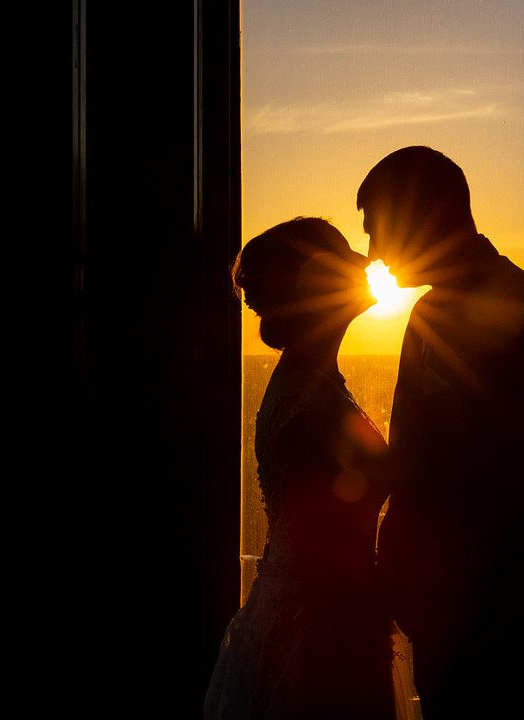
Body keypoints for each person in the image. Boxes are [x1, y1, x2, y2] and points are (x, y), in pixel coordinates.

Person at [358, 146, 524, 718]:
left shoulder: (515, 308)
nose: (373, 255)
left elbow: (504, 475)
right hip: (465, 613)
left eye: (377, 232)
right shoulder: (435, 313)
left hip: (505, 619)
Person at [203, 216, 418, 720]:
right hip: (321, 631)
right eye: (342, 254)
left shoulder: (310, 382)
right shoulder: (310, 406)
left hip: (312, 614)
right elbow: (330, 545)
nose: (364, 262)